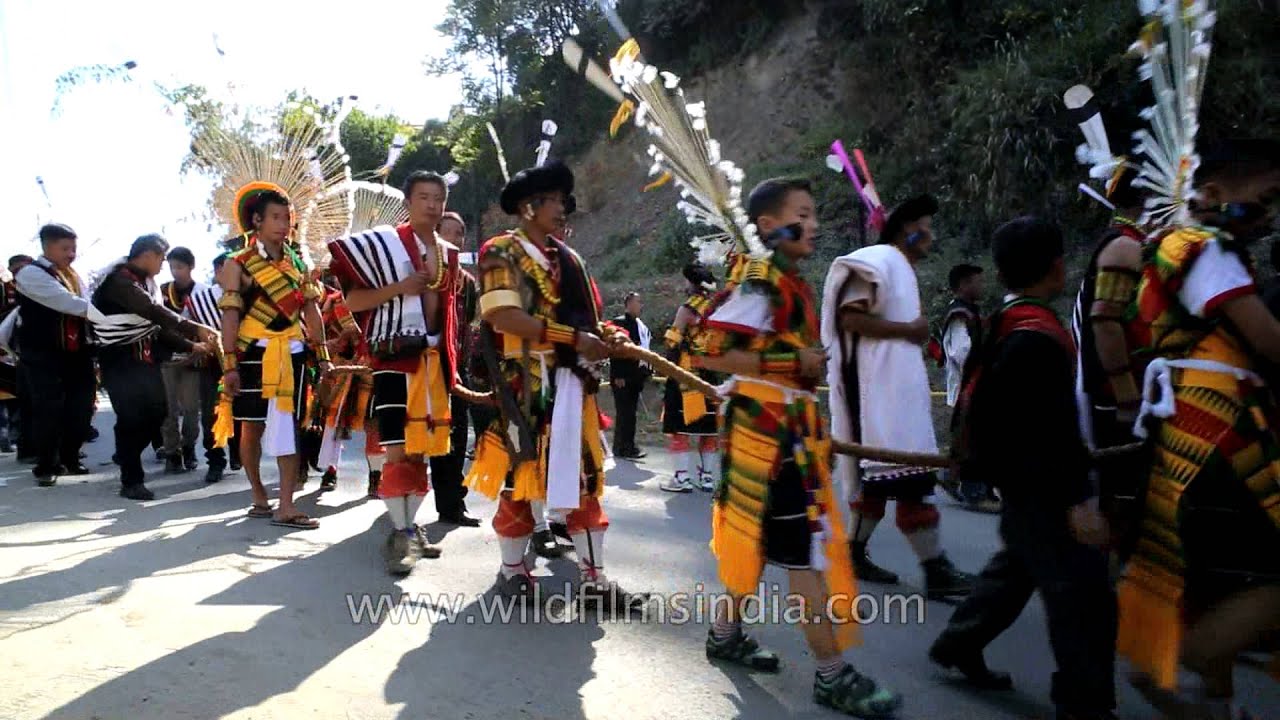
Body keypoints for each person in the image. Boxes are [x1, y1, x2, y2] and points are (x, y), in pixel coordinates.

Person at [696, 177, 901, 717]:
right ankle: (831, 676)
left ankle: (724, 633)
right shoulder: (762, 278)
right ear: (768, 225)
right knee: (803, 556)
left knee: (761, 543)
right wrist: (795, 365)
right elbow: (712, 351)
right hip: (770, 443)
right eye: (802, 215)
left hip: (779, 436)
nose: (813, 224)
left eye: (814, 215)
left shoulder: (786, 280)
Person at [929, 217, 1117, 720]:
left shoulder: (1010, 319)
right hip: (1043, 483)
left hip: (1021, 479)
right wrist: (1078, 498)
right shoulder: (1034, 336)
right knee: (1080, 596)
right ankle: (1084, 704)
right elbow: (1048, 428)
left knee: (1016, 568)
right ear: (1057, 267)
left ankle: (957, 642)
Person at [1119, 139, 1280, 720]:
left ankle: (1215, 701)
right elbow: (1267, 341)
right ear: (1211, 194)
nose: (1266, 215)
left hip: (1192, 428)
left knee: (1223, 579)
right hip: (1220, 430)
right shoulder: (1205, 249)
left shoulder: (1173, 246)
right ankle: (1183, 665)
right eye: (1261, 201)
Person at [466, 160, 645, 608]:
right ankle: (512, 572)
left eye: (565, 202)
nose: (565, 209)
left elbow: (587, 320)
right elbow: (502, 316)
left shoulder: (571, 259)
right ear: (529, 207)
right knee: (519, 478)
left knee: (586, 476)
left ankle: (594, 580)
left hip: (573, 384)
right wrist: (573, 339)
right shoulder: (499, 251)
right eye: (556, 202)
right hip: (524, 389)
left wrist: (610, 335)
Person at [824, 194, 974, 597]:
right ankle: (935, 569)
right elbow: (850, 317)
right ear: (908, 229)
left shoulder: (898, 266)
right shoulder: (876, 258)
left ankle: (853, 553)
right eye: (926, 225)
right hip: (880, 399)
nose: (932, 234)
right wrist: (908, 332)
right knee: (911, 481)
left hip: (894, 396)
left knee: (879, 483)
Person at [328, 170, 464, 573]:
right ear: (408, 200)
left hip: (432, 361)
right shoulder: (382, 244)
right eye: (424, 196)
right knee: (396, 446)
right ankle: (401, 531)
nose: (432, 204)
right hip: (392, 357)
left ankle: (409, 525)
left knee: (424, 447)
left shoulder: (448, 253)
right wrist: (400, 288)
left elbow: (448, 313)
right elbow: (352, 301)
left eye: (438, 198)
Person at [219, 185, 332, 530]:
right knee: (250, 429)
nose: (284, 225)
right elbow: (230, 317)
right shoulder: (237, 264)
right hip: (253, 353)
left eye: (288, 218)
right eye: (276, 218)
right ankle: (258, 494)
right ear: (257, 220)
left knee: (290, 428)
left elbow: (311, 313)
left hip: (293, 353)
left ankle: (286, 504)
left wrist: (324, 357)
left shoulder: (298, 262)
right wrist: (229, 365)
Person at [91, 235, 218, 500]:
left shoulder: (147, 283)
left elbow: (153, 327)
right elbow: (152, 312)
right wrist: (195, 329)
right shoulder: (119, 282)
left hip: (146, 361)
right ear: (147, 255)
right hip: (119, 362)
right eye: (161, 258)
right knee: (130, 419)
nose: (163, 265)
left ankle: (126, 454)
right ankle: (131, 479)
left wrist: (190, 345)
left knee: (158, 413)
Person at [1069, 167, 1151, 561]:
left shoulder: (1133, 242)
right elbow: (1105, 321)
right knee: (1119, 492)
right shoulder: (1124, 247)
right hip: (1116, 395)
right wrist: (1126, 395)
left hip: (1128, 390)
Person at [13, 224, 97, 486]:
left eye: (73, 248)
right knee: (48, 408)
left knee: (81, 407)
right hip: (42, 354)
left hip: (76, 352)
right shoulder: (30, 274)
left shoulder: (72, 274)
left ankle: (70, 458)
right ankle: (46, 465)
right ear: (47, 247)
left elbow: (86, 300)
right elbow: (69, 303)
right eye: (65, 248)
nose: (71, 254)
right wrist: (108, 316)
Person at [427, 210, 481, 526]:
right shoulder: (428, 273)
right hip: (429, 367)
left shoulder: (469, 283)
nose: (456, 239)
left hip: (458, 369)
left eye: (460, 233)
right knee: (432, 437)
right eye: (449, 232)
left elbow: (468, 324)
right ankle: (412, 499)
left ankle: (453, 505)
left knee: (458, 437)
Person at [938, 263, 999, 511]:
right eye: (977, 281)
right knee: (970, 436)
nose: (981, 286)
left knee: (968, 436)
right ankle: (974, 489)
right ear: (963, 285)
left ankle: (951, 478)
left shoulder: (971, 312)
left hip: (974, 385)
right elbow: (961, 352)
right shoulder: (960, 314)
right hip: (967, 385)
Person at [660, 263, 721, 492]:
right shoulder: (718, 308)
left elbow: (673, 341)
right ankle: (707, 478)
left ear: (692, 284)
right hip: (711, 372)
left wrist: (667, 360)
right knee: (709, 429)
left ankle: (682, 477)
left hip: (686, 372)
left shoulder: (687, 309)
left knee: (680, 427)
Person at [184, 253, 240, 483]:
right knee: (210, 414)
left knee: (242, 410)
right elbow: (185, 327)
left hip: (240, 363)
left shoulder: (246, 297)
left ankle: (238, 452)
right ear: (218, 272)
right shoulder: (199, 301)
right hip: (211, 366)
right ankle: (215, 461)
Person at [159, 246, 205, 474]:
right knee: (168, 408)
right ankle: (171, 452)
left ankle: (189, 447)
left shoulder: (202, 293)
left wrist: (198, 350)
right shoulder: (162, 292)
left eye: (180, 267)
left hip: (194, 358)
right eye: (172, 267)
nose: (175, 272)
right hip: (168, 359)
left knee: (190, 408)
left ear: (191, 267)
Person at [610, 291, 650, 460]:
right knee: (624, 413)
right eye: (637, 301)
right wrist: (618, 374)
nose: (640, 305)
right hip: (622, 376)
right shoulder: (619, 323)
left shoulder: (640, 325)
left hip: (635, 375)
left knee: (631, 413)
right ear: (628, 304)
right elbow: (615, 350)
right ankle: (622, 447)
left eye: (641, 302)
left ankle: (628, 445)